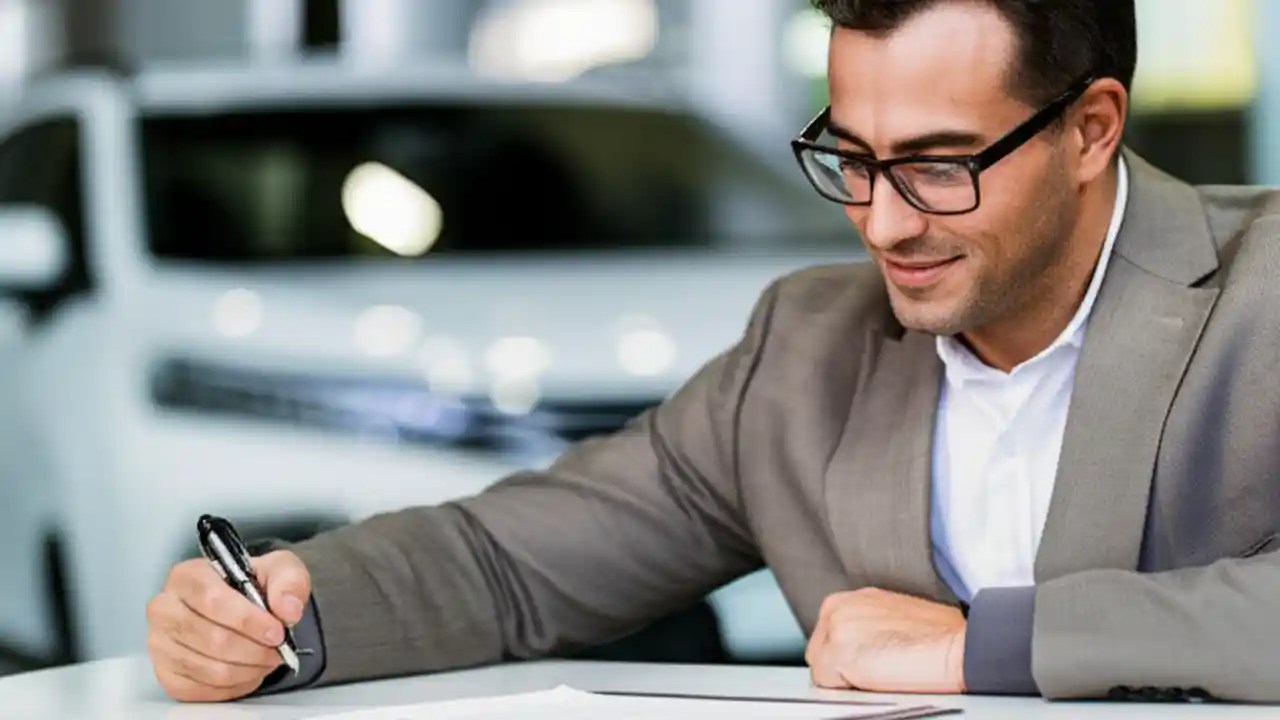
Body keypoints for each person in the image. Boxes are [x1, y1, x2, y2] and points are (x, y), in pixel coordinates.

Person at [146, 0, 1280, 703]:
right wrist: (284, 611)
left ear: (1090, 129)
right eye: (850, 158)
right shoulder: (805, 349)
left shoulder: (1261, 294)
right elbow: (510, 563)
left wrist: (987, 647)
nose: (882, 223)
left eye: (940, 165)